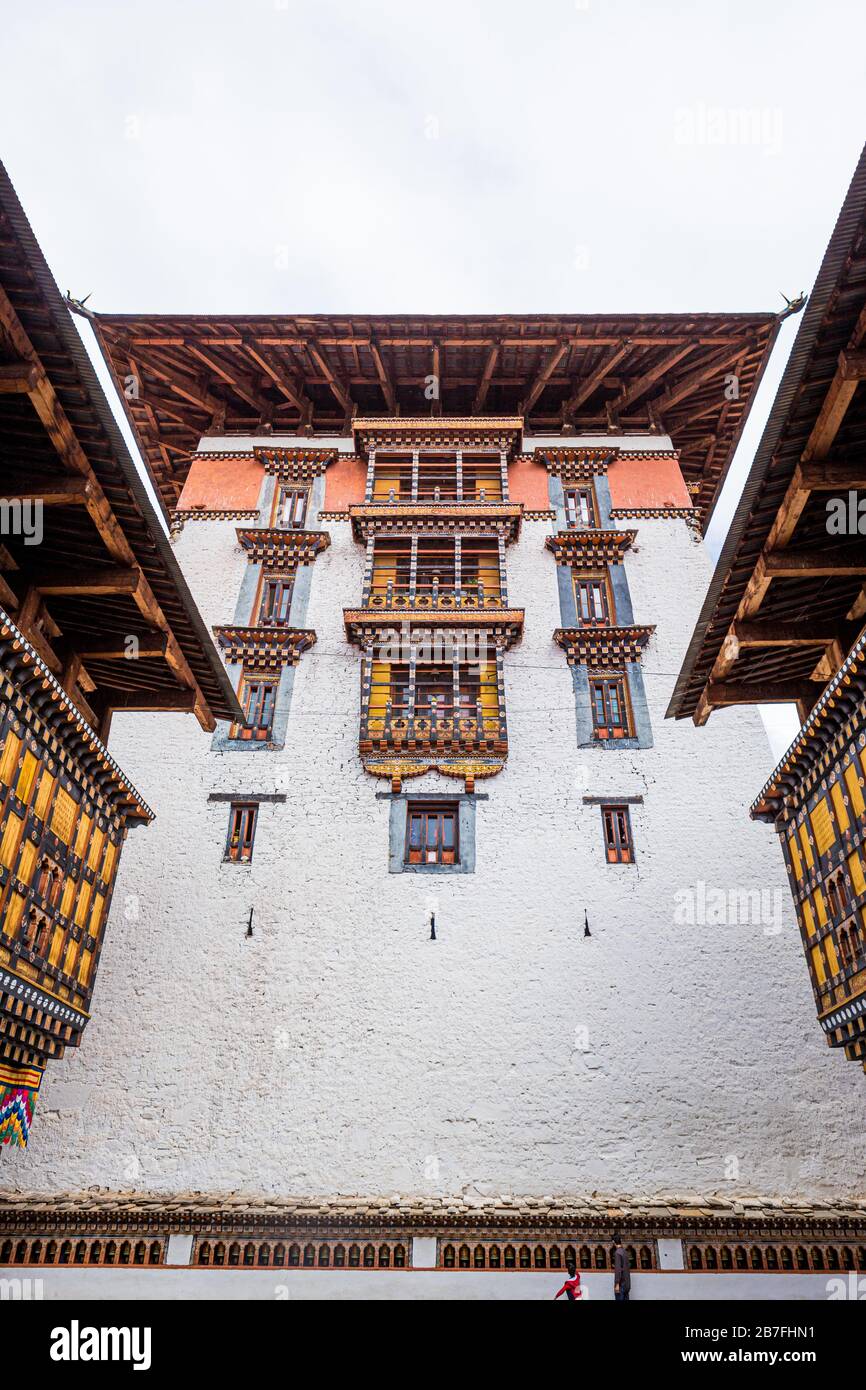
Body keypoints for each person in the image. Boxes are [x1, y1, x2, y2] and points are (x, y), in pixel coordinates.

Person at [612, 1233, 631, 1301]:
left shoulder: (617, 1253)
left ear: (613, 1242)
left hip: (621, 1284)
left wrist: (617, 1284)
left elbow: (618, 1270)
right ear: (621, 1241)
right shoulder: (625, 1252)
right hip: (627, 1283)